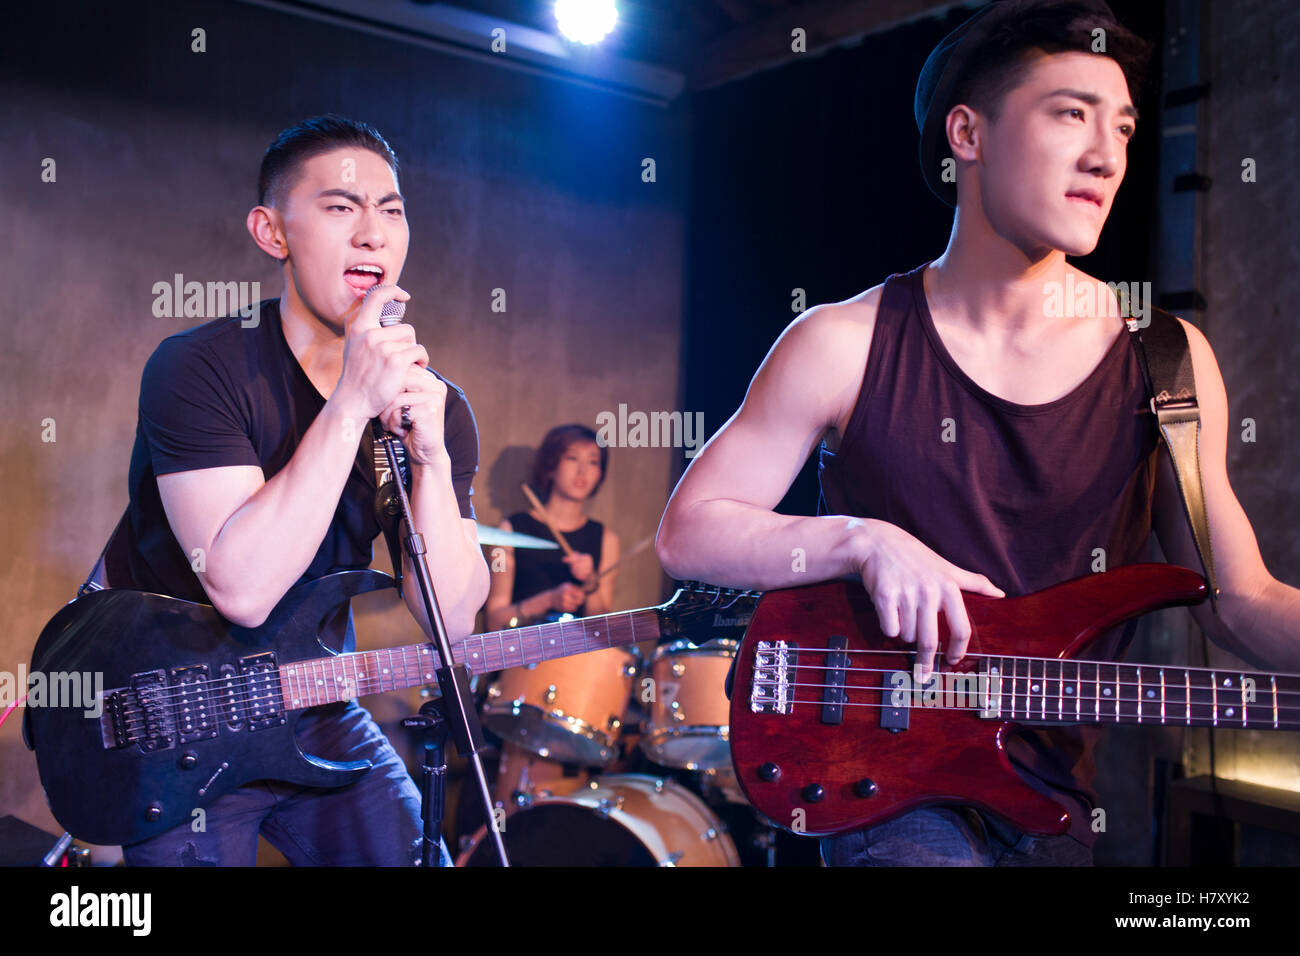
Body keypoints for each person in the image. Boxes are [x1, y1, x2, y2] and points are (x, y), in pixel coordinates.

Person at [655, 0, 1300, 867]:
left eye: (1122, 126)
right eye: (1070, 114)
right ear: (969, 132)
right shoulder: (841, 342)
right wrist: (863, 541)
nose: (1107, 155)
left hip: (1050, 800)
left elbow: (1239, 598)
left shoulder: (1169, 366)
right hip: (881, 776)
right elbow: (691, 531)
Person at [120, 114, 490, 865]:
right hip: (176, 716)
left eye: (391, 211)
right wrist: (350, 403)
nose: (372, 234)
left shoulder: (432, 404)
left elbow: (449, 617)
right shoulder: (199, 368)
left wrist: (430, 462)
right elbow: (243, 588)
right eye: (340, 207)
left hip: (315, 708)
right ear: (272, 232)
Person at [484, 424, 621, 629]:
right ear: (550, 467)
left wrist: (591, 583)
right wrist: (548, 601)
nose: (582, 471)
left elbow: (603, 630)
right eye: (572, 458)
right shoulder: (507, 532)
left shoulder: (607, 539)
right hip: (522, 656)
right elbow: (494, 621)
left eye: (593, 462)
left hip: (577, 658)